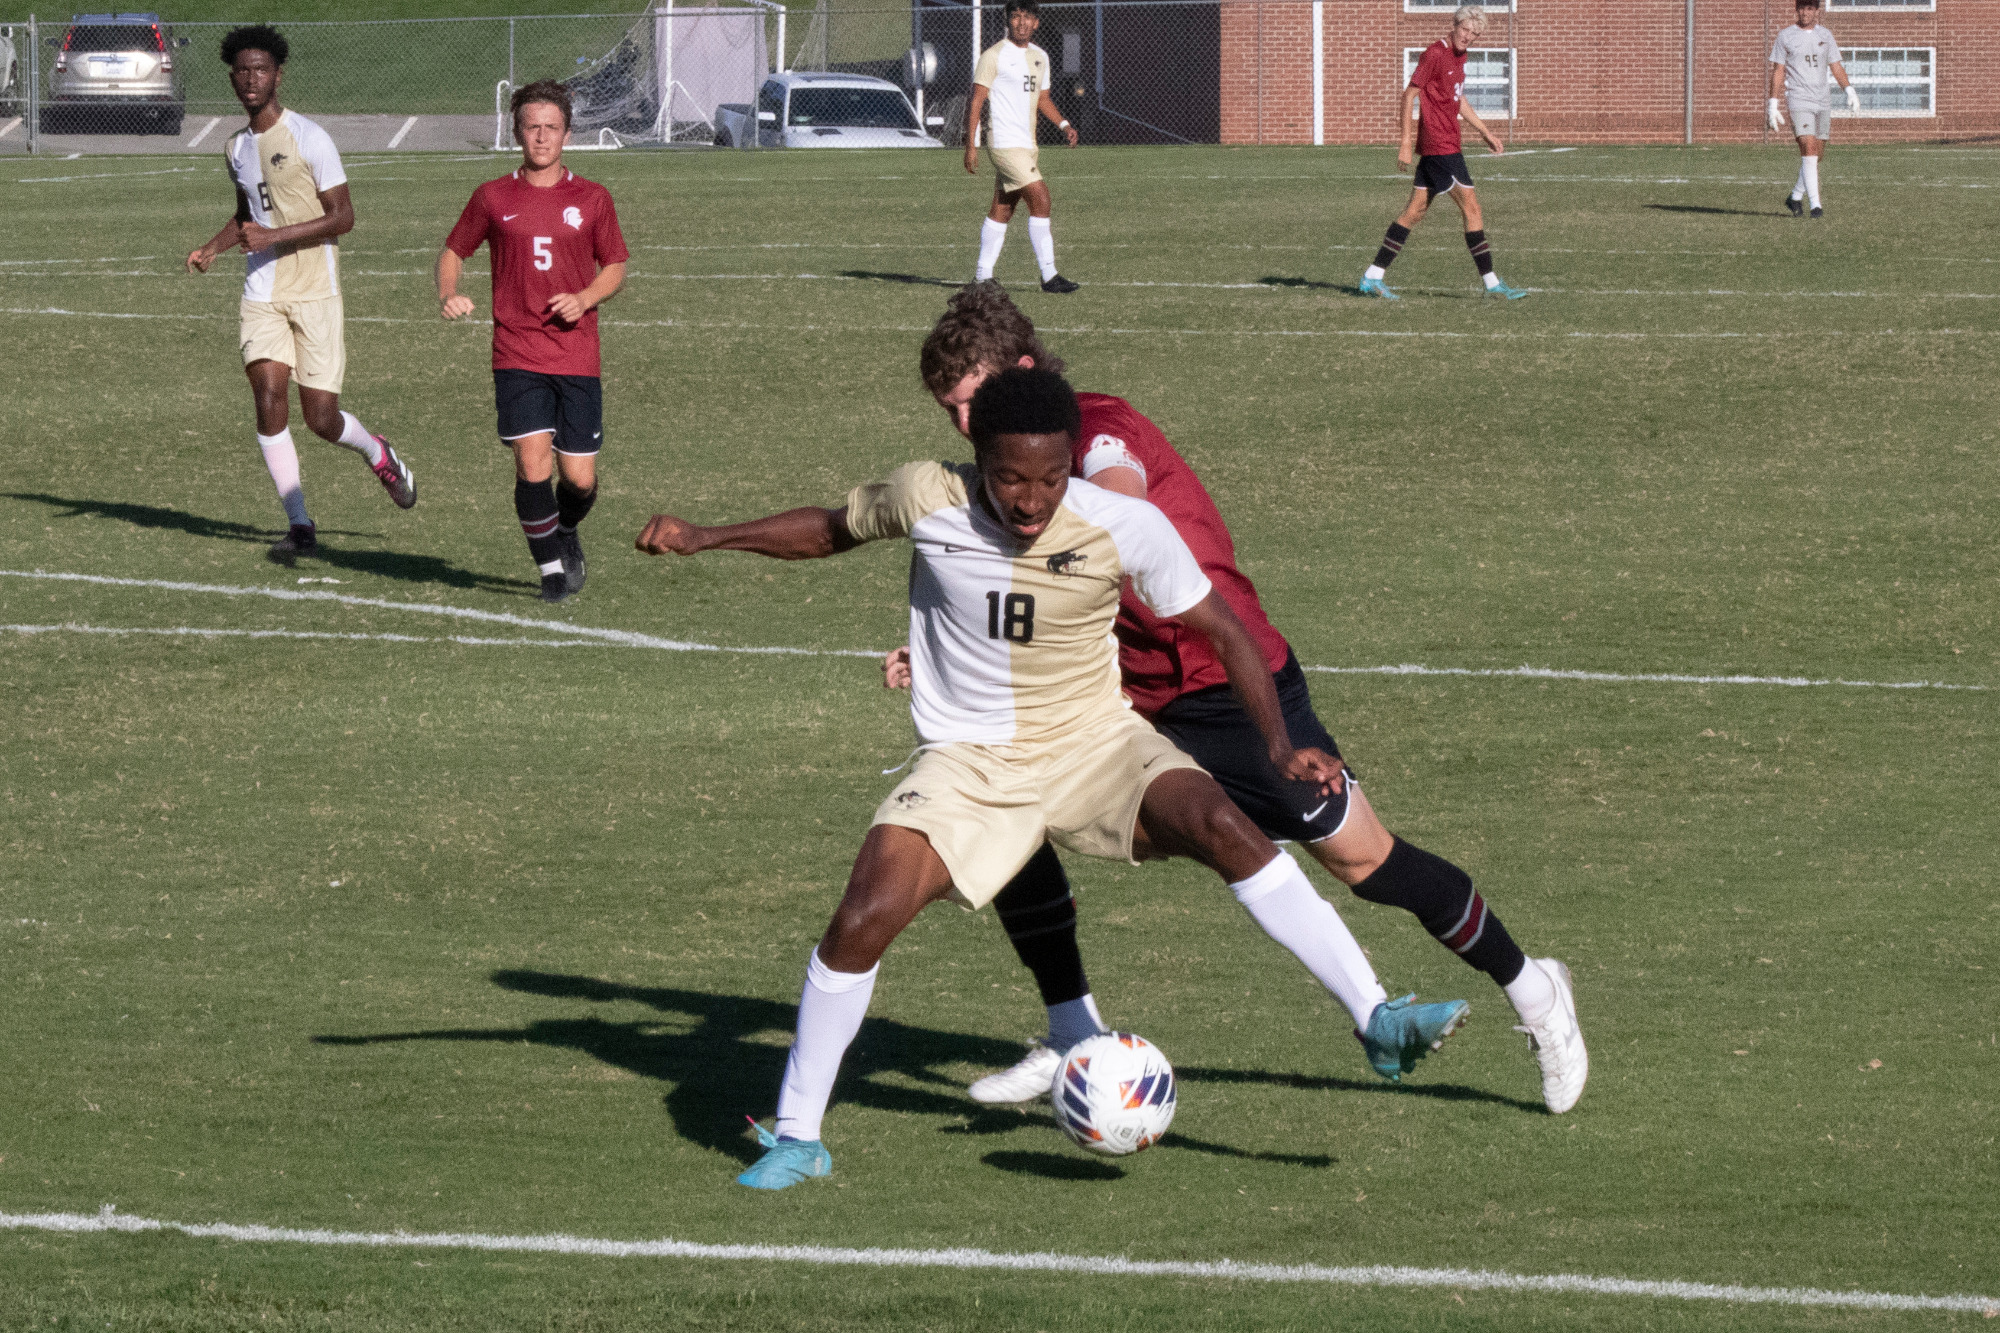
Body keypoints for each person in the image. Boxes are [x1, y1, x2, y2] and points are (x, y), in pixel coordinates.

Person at [636, 367, 1468, 1190]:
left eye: (1050, 478)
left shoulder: (1123, 524)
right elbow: (827, 529)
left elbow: (1221, 624)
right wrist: (709, 535)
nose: (1031, 501)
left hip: (1095, 746)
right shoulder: (927, 495)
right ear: (976, 457)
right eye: (1009, 478)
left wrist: (1279, 742)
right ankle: (797, 1136)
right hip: (970, 766)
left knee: (1222, 824)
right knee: (864, 914)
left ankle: (1378, 1016)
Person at [901, 282, 1587, 1115]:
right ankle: (1071, 1026)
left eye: (971, 403)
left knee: (1364, 861)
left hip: (1231, 683)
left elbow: (1121, 504)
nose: (964, 429)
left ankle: (1534, 989)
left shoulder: (1096, 428)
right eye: (951, 414)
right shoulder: (1008, 472)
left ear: (1020, 369)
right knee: (1011, 808)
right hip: (1130, 699)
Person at [184, 24, 415, 565]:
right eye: (241, 70)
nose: (250, 78)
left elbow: (343, 217)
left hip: (314, 290)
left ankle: (376, 451)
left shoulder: (310, 137)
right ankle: (300, 524)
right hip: (262, 291)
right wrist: (215, 246)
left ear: (278, 75)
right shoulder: (235, 146)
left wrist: (273, 237)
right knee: (268, 400)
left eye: (260, 69)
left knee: (321, 420)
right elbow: (249, 215)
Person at [438, 80, 628, 602]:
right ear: (517, 131)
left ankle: (565, 531)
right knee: (532, 465)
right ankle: (550, 574)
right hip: (517, 351)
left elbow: (615, 265)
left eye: (551, 128)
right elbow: (453, 251)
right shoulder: (493, 196)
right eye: (531, 127)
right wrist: (449, 292)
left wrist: (585, 298)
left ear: (566, 134)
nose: (541, 137)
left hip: (576, 354)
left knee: (580, 480)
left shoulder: (592, 198)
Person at [1358, 5, 1525, 302]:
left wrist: (1486, 133)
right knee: (1471, 209)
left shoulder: (1461, 57)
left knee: (1414, 212)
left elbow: (1457, 100)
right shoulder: (1435, 53)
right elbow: (1409, 94)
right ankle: (1492, 284)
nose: (1469, 37)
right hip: (1439, 146)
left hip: (1450, 143)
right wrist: (1406, 141)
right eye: (1466, 30)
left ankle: (1372, 277)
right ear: (1455, 25)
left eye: (1475, 34)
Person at [966, 0, 1079, 293]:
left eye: (1027, 17)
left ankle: (981, 277)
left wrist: (1064, 125)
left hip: (1026, 144)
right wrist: (971, 145)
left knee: (1003, 208)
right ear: (1008, 21)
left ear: (1036, 22)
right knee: (1040, 197)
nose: (1022, 22)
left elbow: (1043, 99)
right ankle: (1049, 275)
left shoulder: (1040, 56)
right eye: (1016, 17)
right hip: (1004, 143)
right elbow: (976, 100)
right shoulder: (994, 56)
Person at [1768, 0, 1857, 220]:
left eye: (1810, 8)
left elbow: (1835, 65)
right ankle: (1816, 206)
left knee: (1817, 154)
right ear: (1796, 10)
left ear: (1816, 11)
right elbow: (1778, 70)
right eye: (1802, 8)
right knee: (1807, 147)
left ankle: (1795, 196)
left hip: (1822, 100)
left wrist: (1849, 90)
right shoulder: (1785, 36)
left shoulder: (1825, 36)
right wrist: (1773, 103)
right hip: (1799, 99)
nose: (1805, 12)